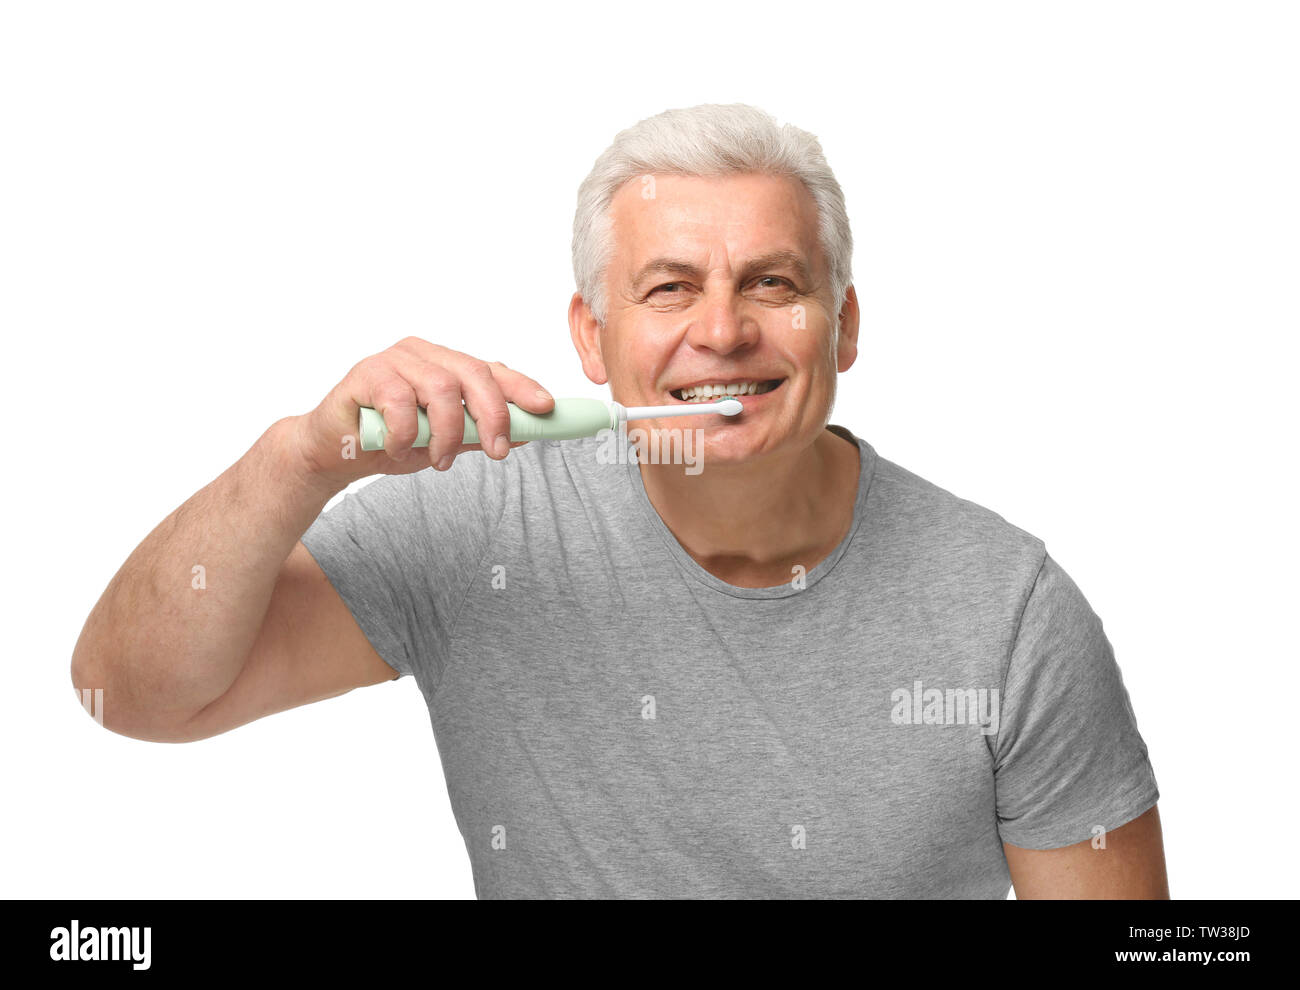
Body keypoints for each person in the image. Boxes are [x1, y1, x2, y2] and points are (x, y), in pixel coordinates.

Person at [71, 103, 1168, 899]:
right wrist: (296, 461)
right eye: (669, 288)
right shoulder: (477, 522)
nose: (724, 330)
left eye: (773, 284)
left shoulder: (1008, 610)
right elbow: (127, 695)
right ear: (592, 339)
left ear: (843, 327)